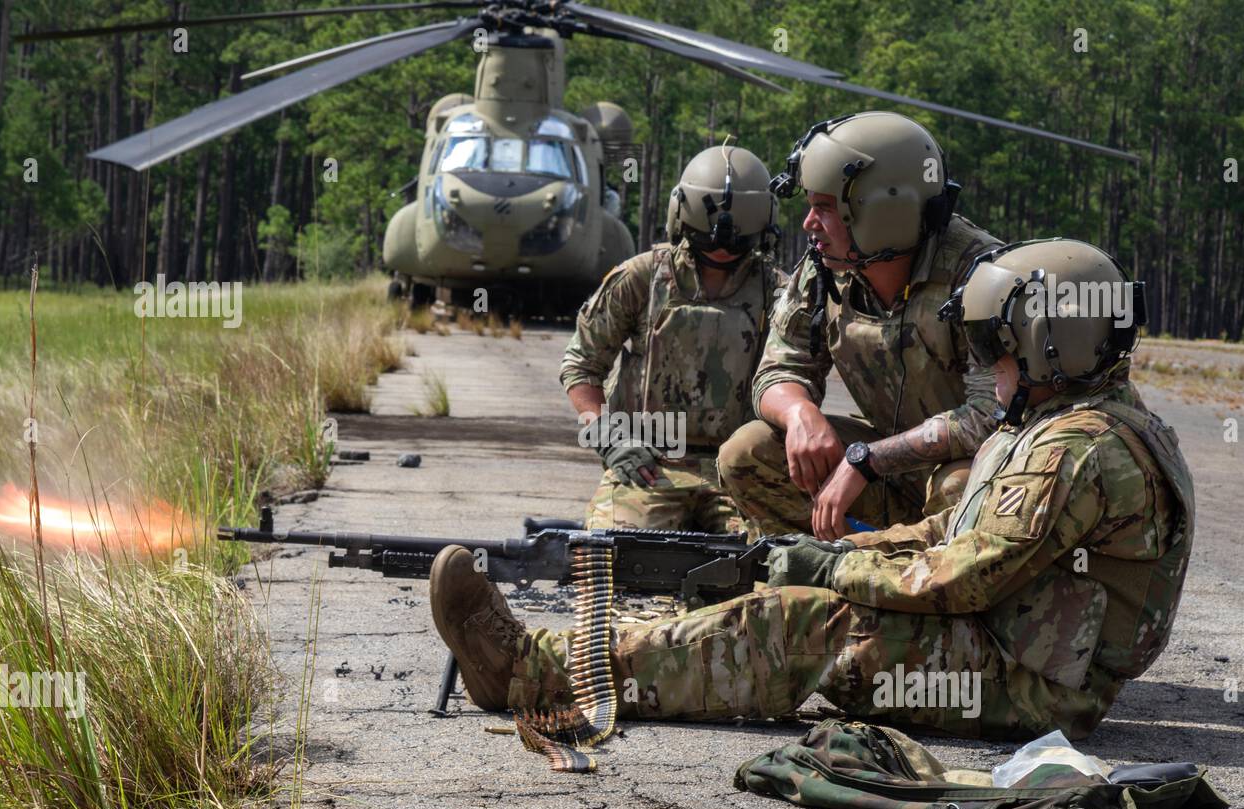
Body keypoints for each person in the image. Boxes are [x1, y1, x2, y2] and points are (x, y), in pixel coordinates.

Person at [431, 238, 1194, 741]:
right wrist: (818, 550)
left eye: (997, 344)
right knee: (797, 589)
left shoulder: (1077, 450)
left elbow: (965, 577)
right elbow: (949, 540)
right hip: (1020, 652)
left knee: (810, 627)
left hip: (1034, 689)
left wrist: (829, 571)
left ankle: (526, 668)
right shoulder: (1077, 423)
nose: (985, 361)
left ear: (1051, 346)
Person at [719, 111, 1002, 539]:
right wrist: (799, 414)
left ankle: (932, 599)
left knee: (958, 485)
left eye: (824, 208)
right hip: (880, 472)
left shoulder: (983, 279)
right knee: (748, 451)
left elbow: (990, 417)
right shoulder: (824, 271)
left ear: (884, 212)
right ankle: (815, 573)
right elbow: (779, 370)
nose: (808, 224)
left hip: (974, 477)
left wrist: (867, 460)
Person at [560, 145, 787, 533]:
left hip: (743, 469)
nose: (721, 243)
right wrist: (609, 439)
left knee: (773, 562)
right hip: (650, 463)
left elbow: (799, 374)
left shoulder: (778, 293)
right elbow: (581, 366)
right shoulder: (641, 278)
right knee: (615, 548)